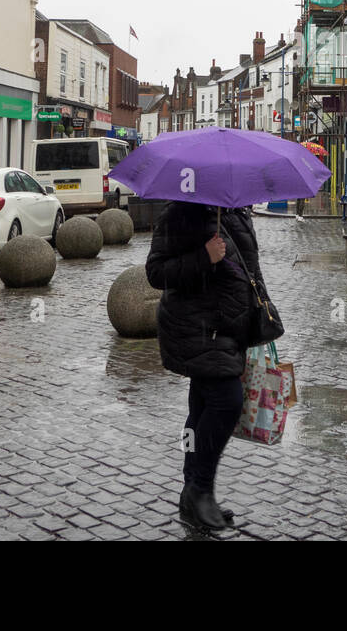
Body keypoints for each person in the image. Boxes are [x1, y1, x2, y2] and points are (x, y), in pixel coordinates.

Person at [146, 201, 265, 531]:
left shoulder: (235, 212)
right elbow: (156, 273)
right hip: (196, 328)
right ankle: (200, 489)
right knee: (227, 402)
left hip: (227, 327)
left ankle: (191, 493)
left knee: (200, 409)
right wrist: (203, 257)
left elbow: (248, 268)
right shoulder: (178, 213)